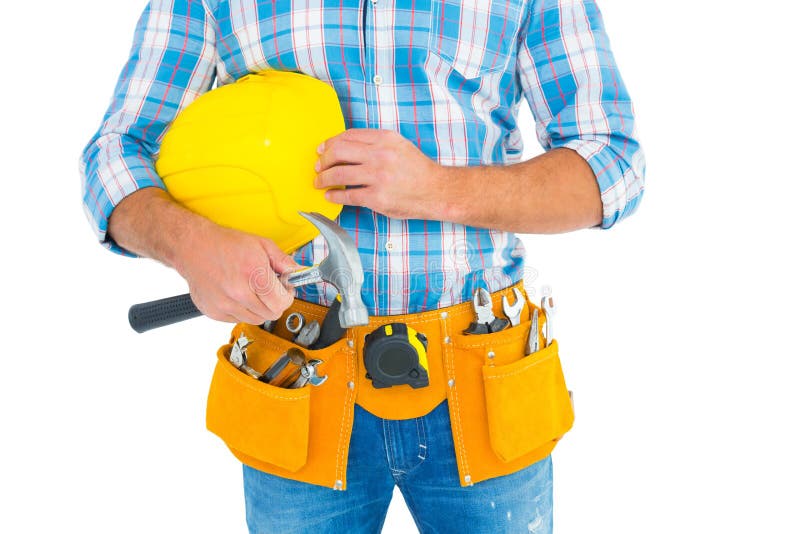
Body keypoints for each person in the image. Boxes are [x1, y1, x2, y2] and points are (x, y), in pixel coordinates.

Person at [80, 0, 644, 532]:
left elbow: (612, 164)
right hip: (298, 374)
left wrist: (437, 189)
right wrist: (194, 246)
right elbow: (117, 152)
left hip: (483, 371)